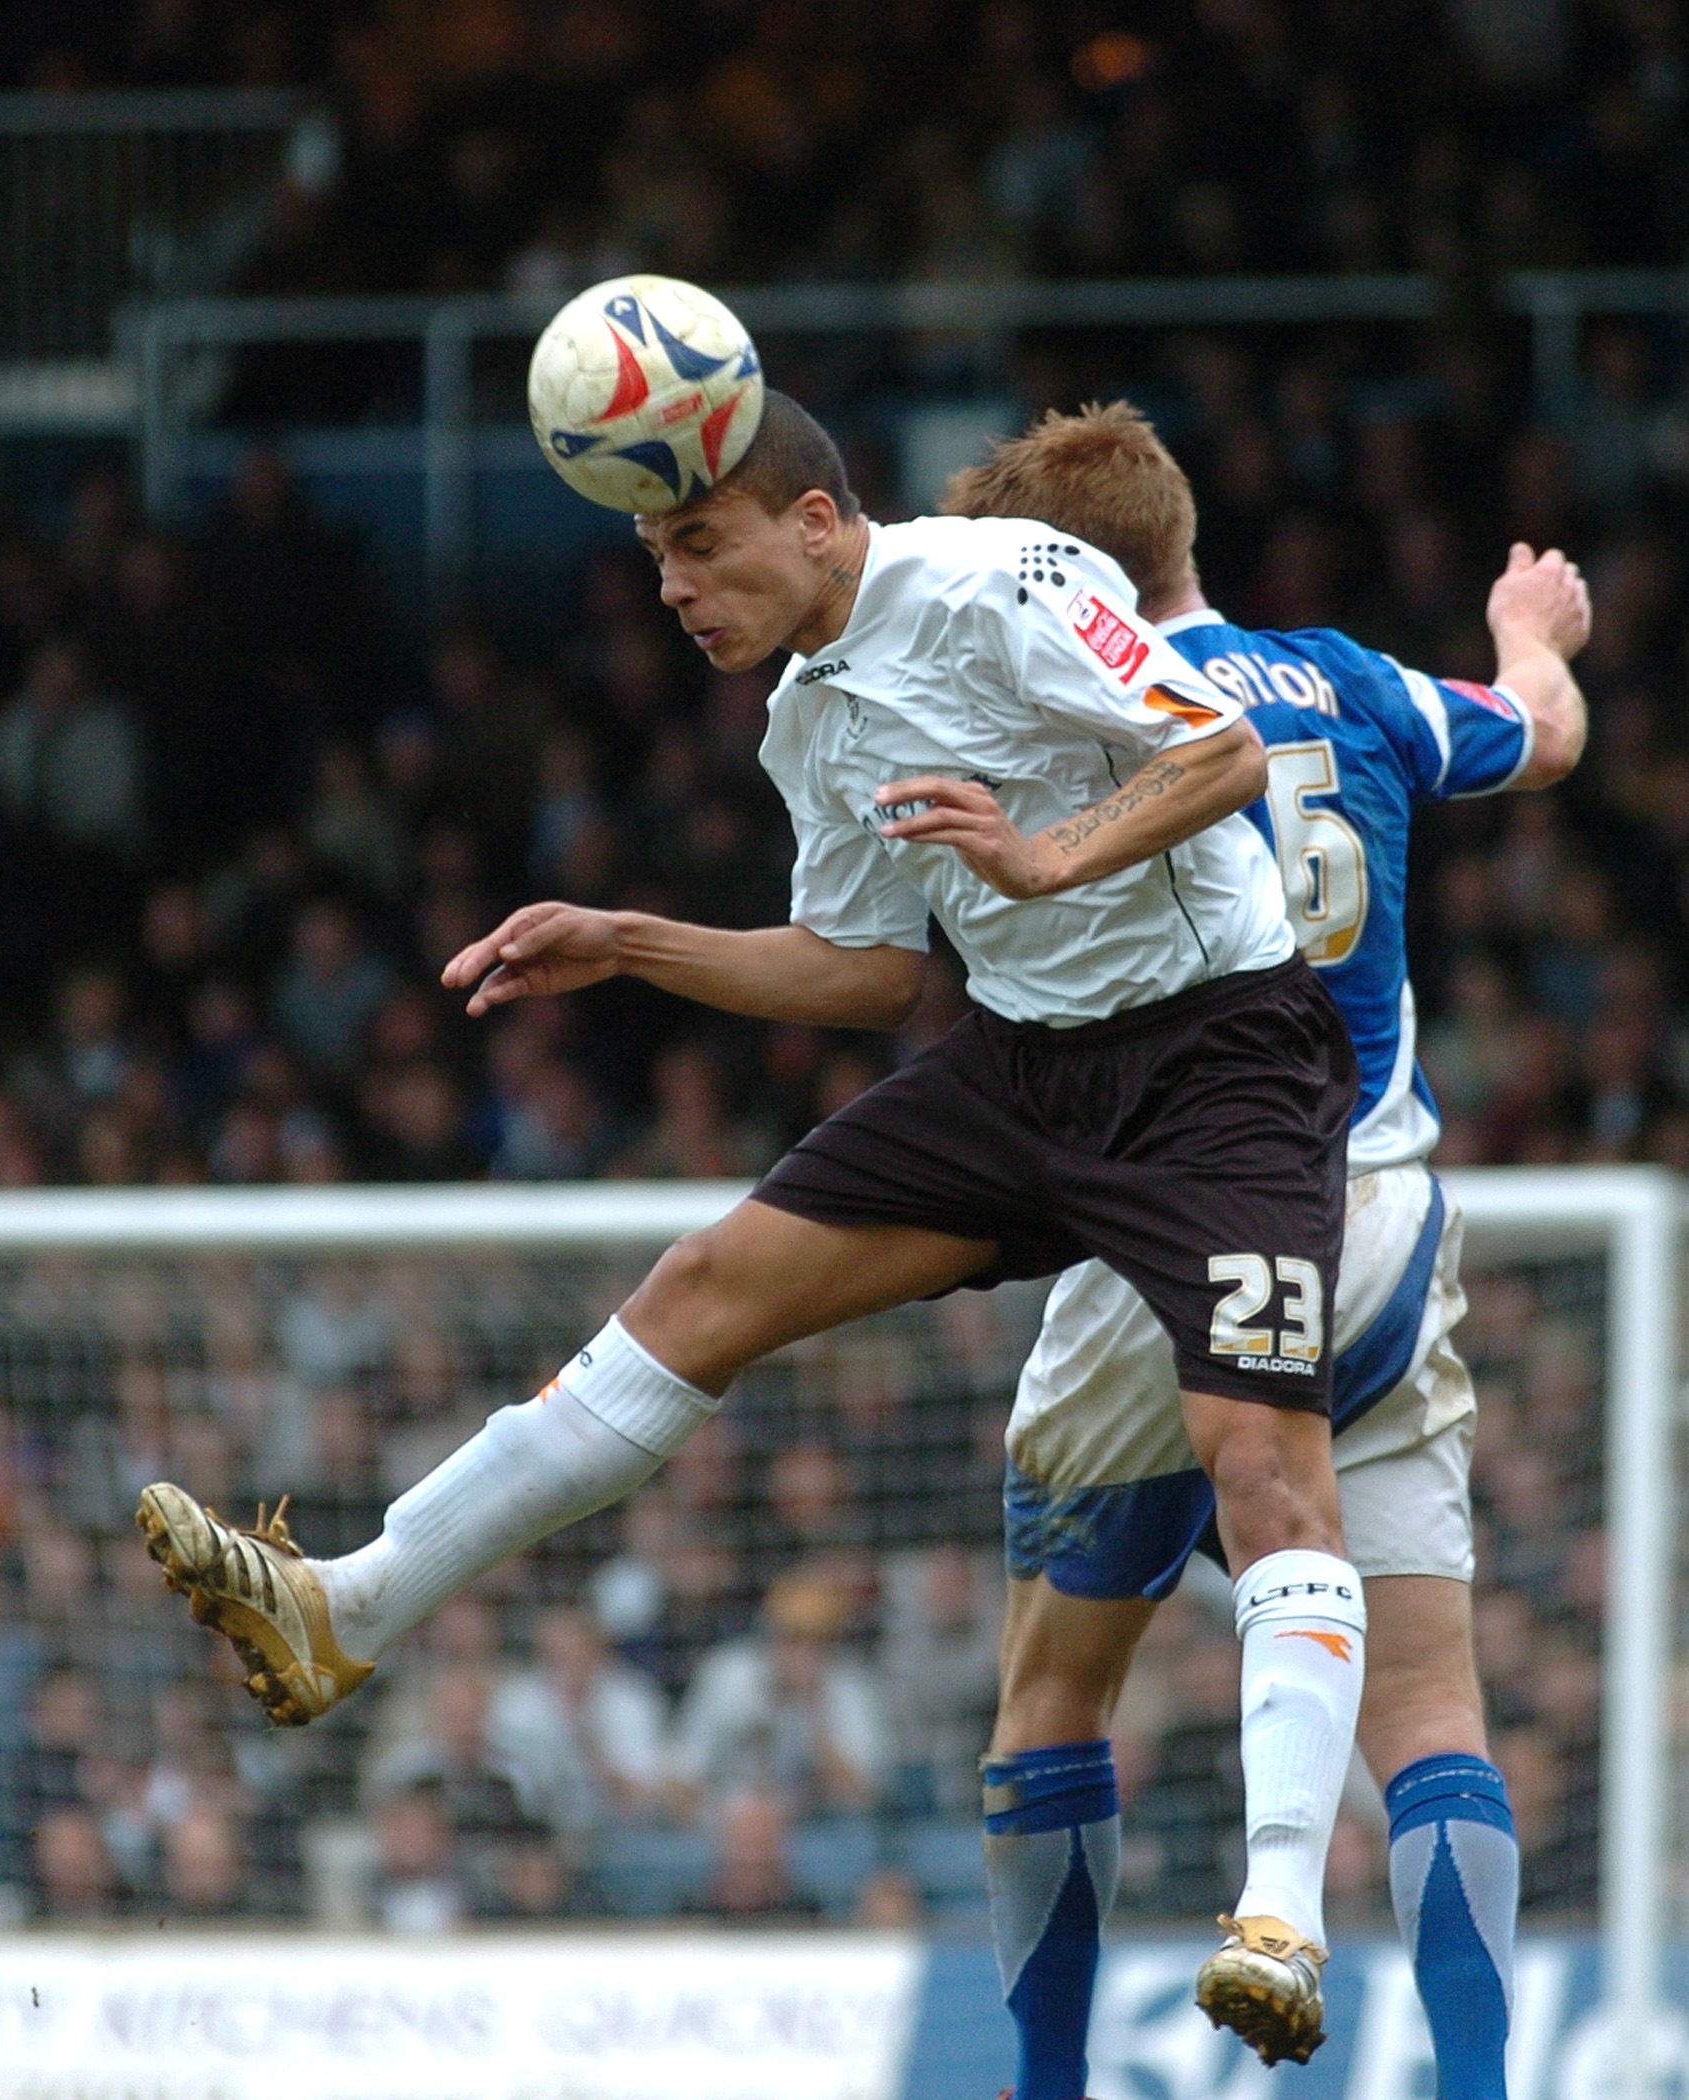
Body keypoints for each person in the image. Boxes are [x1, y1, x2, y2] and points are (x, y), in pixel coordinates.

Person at [137, 385, 1361, 2064]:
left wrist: (1040, 858)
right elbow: (862, 973)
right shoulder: (805, 714)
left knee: (1260, 1468)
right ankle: (347, 1606)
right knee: (702, 1286)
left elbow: (1218, 750)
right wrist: (630, 941)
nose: (673, 588)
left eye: (699, 545)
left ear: (815, 520)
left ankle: (1279, 1917)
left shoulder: (1002, 580)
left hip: (1218, 1062)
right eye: (656, 559)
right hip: (1020, 1066)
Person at [940, 401, 1587, 2095]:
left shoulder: (1064, 722)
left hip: (1169, 1230)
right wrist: (1526, 631)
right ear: (1179, 538)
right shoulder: (1348, 680)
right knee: (1429, 1707)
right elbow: (1541, 736)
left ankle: (1044, 2087)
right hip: (1375, 1217)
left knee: (1052, 1695)